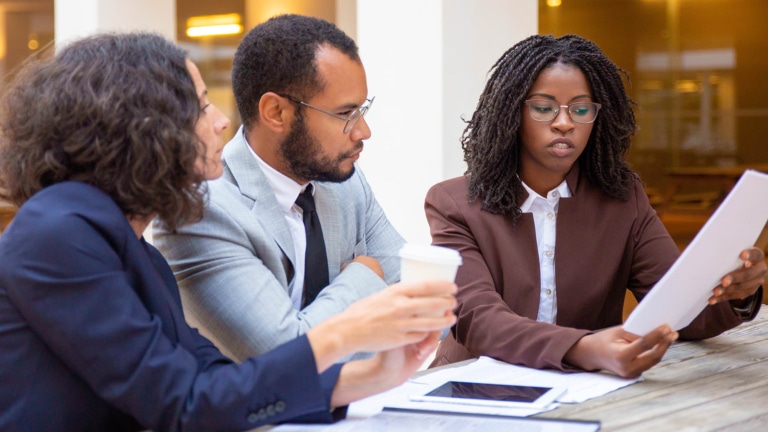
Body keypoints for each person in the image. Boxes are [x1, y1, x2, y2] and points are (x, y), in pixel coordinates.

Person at [0, 32, 457, 431]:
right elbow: (184, 404)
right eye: (200, 106)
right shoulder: (56, 233)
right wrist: (345, 332)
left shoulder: (139, 254)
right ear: (139, 129)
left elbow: (214, 383)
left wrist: (375, 375)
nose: (221, 120)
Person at [425, 34, 766, 379]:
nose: (564, 122)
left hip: (588, 391)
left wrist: (736, 292)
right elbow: (480, 321)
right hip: (473, 389)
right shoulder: (455, 204)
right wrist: (586, 348)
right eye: (544, 108)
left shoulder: (622, 200)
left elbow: (677, 313)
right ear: (512, 113)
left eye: (581, 108)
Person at [153, 14, 405, 361]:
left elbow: (424, 307)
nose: (363, 131)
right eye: (346, 114)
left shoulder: (345, 182)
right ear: (276, 113)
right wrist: (363, 278)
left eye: (362, 109)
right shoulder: (201, 209)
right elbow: (286, 357)